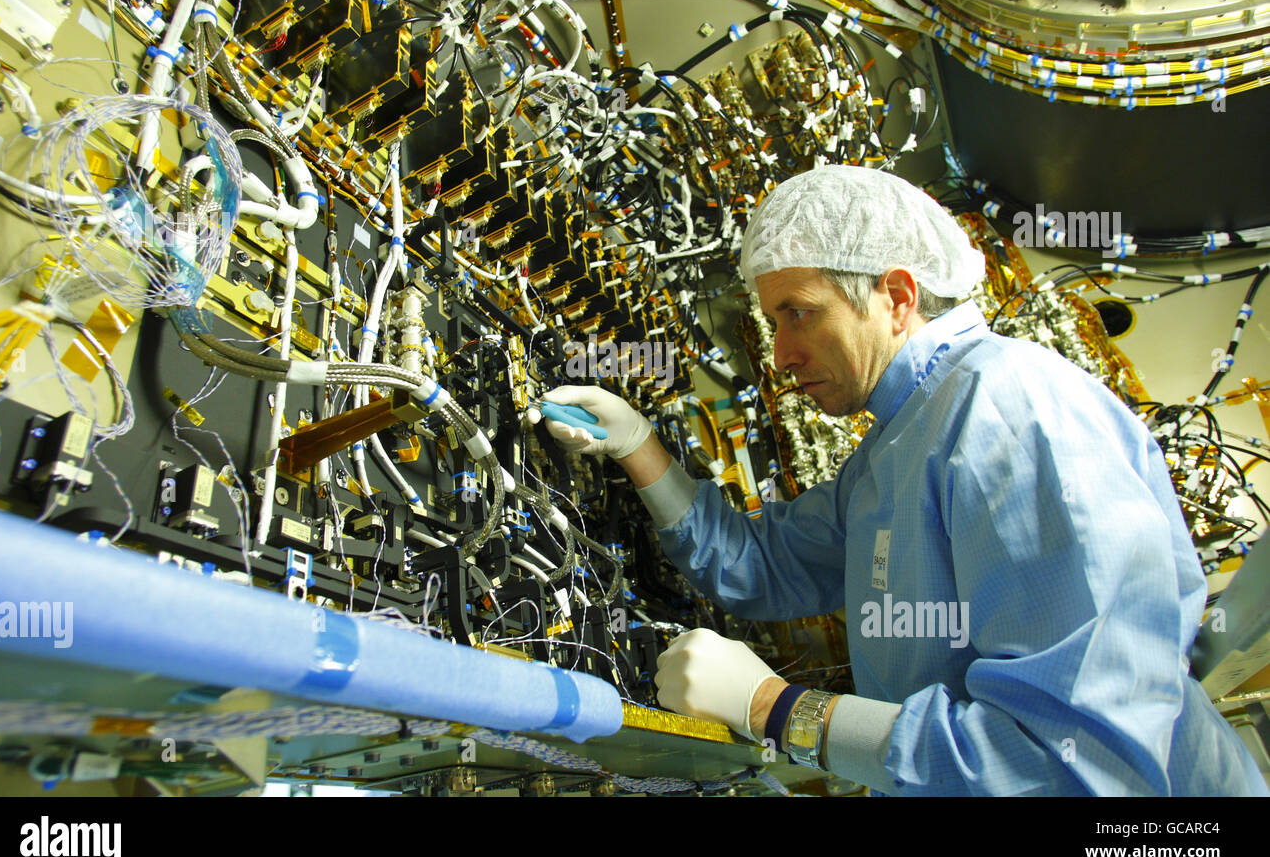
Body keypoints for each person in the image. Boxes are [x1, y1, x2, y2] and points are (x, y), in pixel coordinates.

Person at [533, 165, 1269, 796]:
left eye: (799, 314)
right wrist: (639, 445)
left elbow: (1073, 767)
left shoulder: (1010, 410)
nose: (783, 355)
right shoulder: (896, 447)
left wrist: (775, 707)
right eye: (773, 321)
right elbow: (761, 566)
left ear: (897, 296)